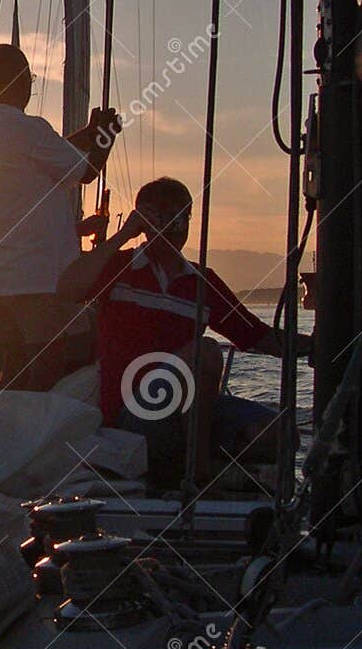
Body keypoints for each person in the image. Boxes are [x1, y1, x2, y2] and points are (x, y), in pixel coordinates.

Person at [57, 177, 312, 491]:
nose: (176, 227)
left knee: (283, 433)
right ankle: (199, 472)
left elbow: (259, 337)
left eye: (183, 217)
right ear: (144, 219)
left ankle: (192, 464)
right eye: (164, 217)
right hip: (133, 413)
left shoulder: (203, 284)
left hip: (191, 415)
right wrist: (124, 234)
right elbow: (68, 288)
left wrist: (324, 345)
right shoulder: (118, 268)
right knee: (204, 352)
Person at [0, 43, 120, 390]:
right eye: (29, 78)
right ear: (19, 81)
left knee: (13, 366)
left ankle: (4, 433)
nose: (31, 85)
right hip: (37, 277)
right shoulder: (27, 128)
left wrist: (89, 133)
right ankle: (36, 435)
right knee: (48, 362)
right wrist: (106, 136)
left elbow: (46, 151)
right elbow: (86, 170)